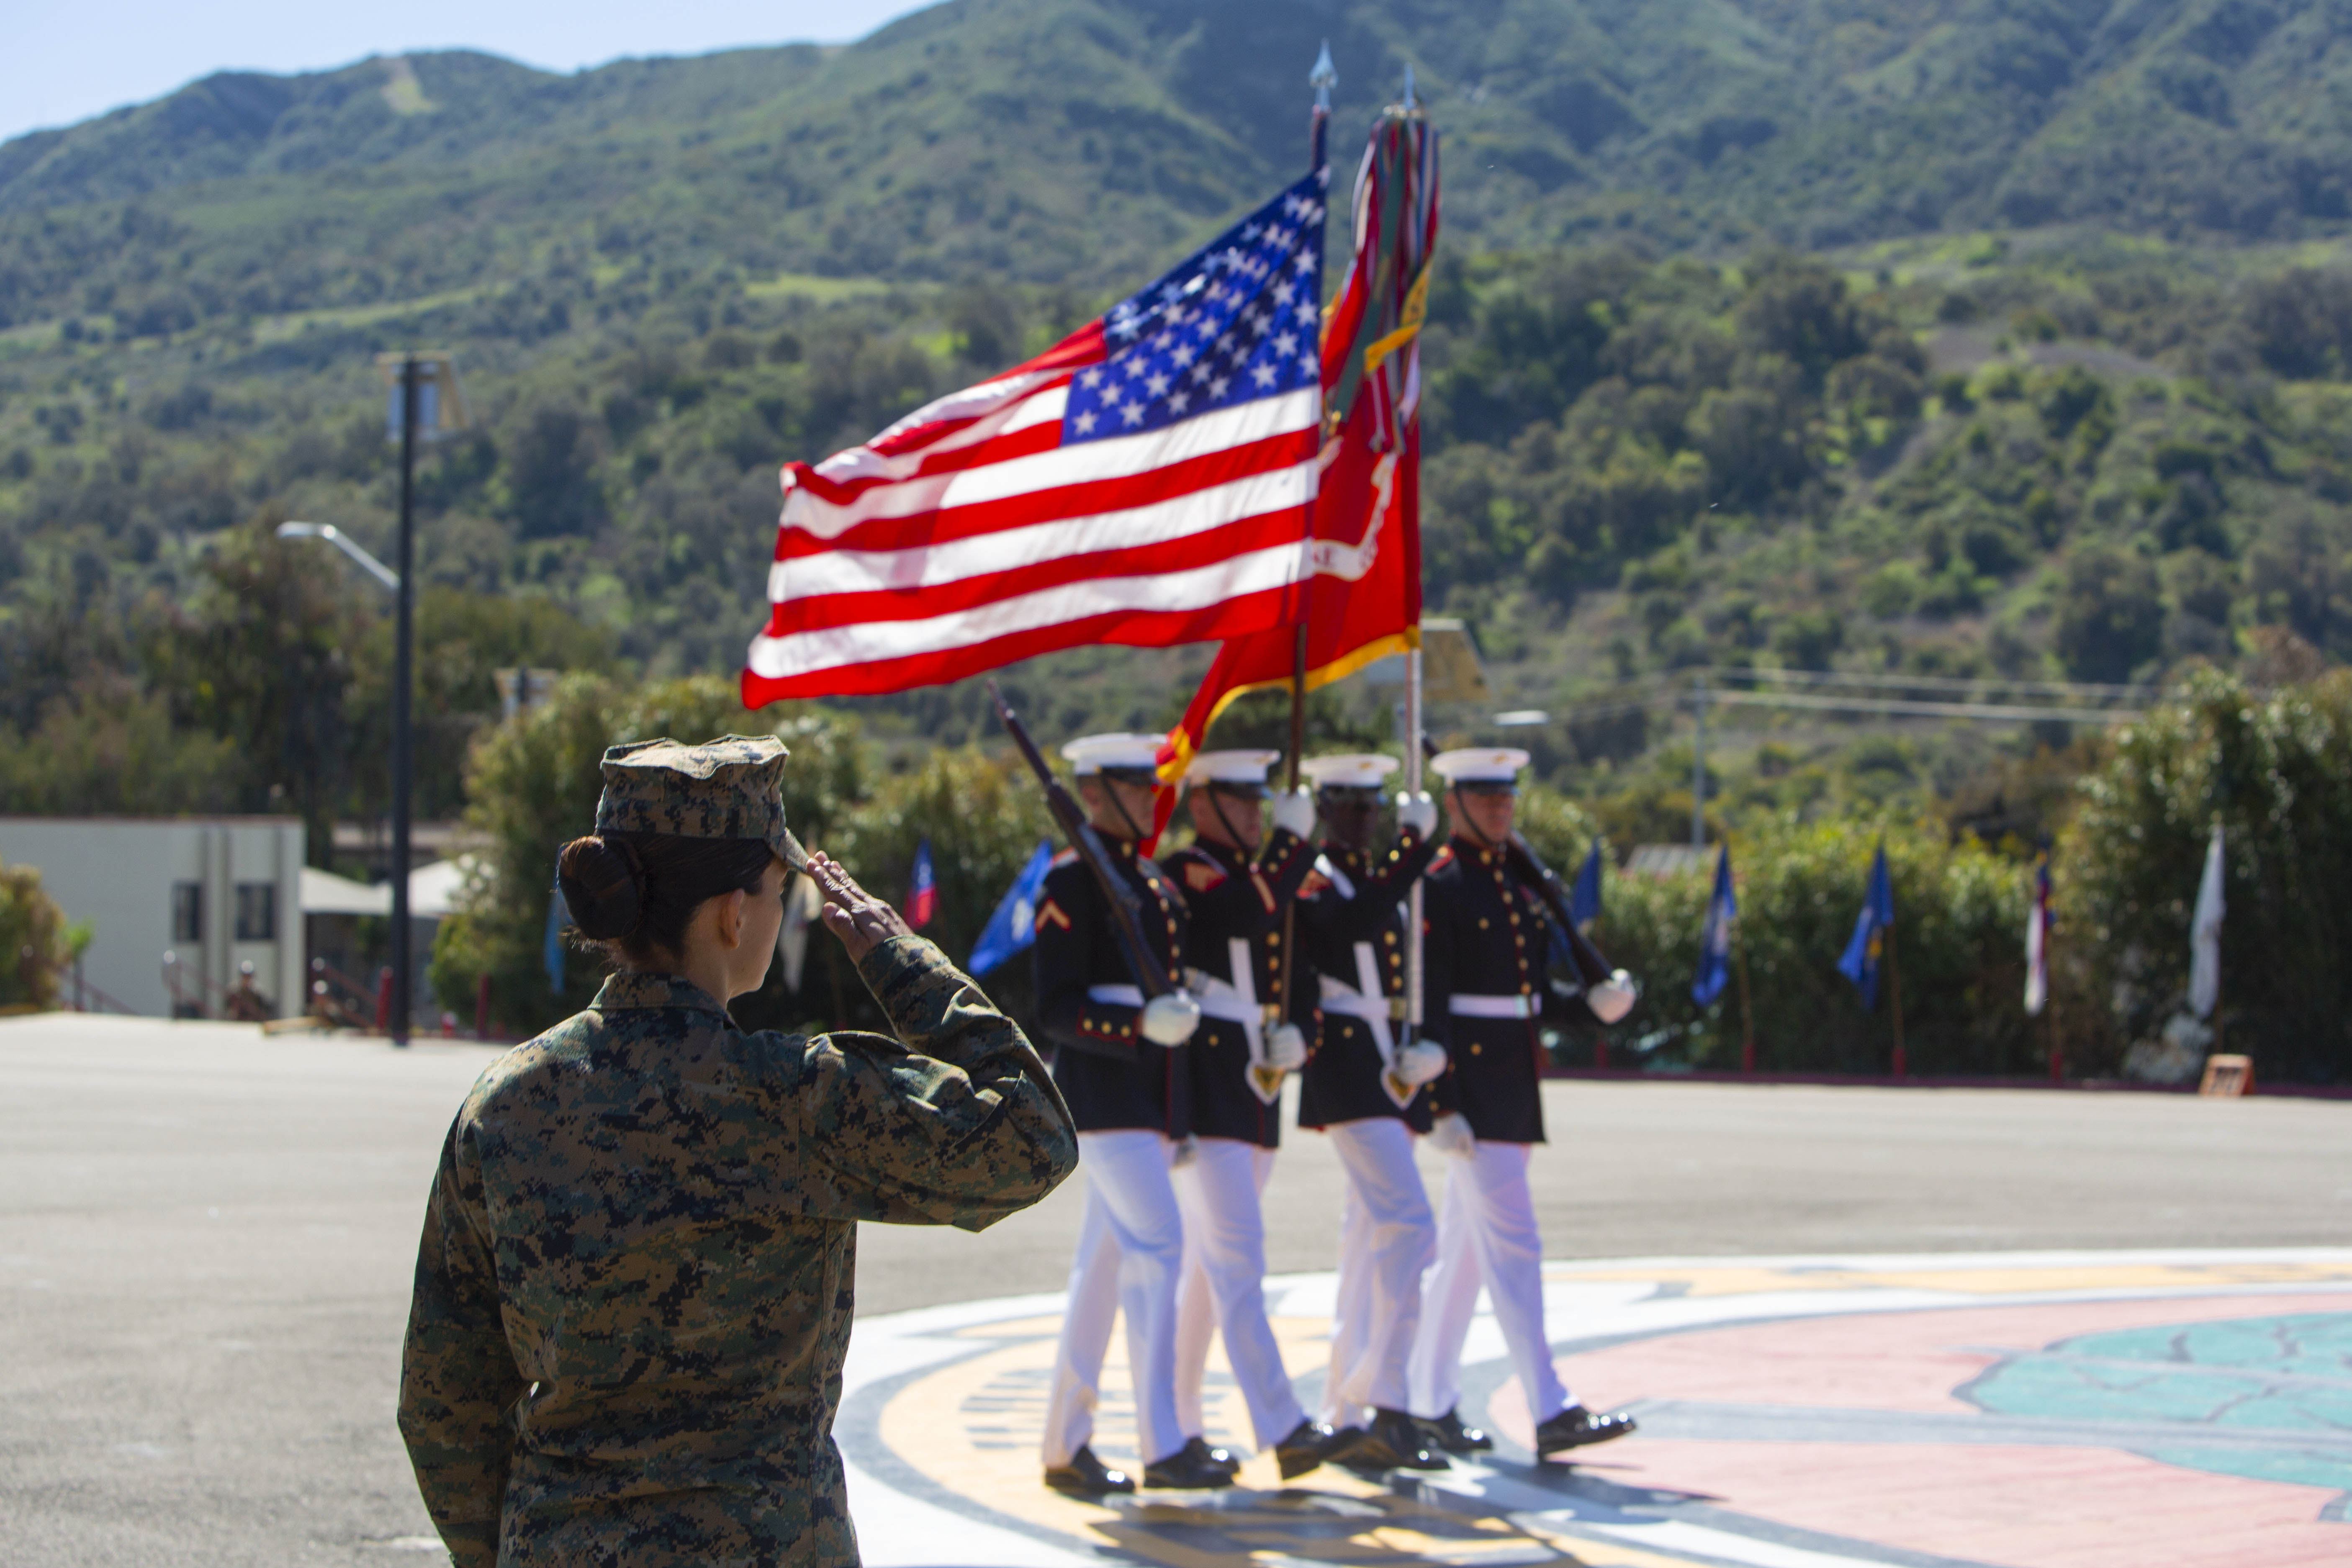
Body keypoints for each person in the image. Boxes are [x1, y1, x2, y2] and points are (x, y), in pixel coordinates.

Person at [397, 736, 1077, 1568]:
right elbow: (1033, 1137)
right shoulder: (798, 1097)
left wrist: (507, 1549)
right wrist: (900, 962)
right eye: (780, 893)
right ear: (732, 912)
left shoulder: (505, 1105)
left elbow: (444, 1402)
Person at [1406, 748, 1638, 1460]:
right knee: (1514, 1246)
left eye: (1507, 796)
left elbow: (1528, 994)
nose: (1501, 807)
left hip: (1513, 1078)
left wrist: (1591, 1004)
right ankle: (1551, 1404)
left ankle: (1425, 1399)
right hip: (1474, 1087)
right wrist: (1441, 1103)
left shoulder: (1517, 882)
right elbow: (1431, 1002)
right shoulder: (1440, 884)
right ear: (1456, 804)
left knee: (1467, 1257)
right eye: (1485, 796)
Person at [1032, 734, 1228, 1494]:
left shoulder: (1143, 880)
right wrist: (1135, 1027)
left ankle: (1065, 1443)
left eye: (1150, 785)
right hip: (1104, 1091)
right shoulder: (1075, 881)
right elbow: (1053, 1006)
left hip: (1147, 1096)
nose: (1152, 797)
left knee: (1104, 1269)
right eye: (1134, 786)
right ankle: (1164, 1442)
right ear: (1093, 792)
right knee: (1161, 1247)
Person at [1164, 750, 1356, 1481]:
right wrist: (1293, 844)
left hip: (1260, 1084)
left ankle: (1179, 1422)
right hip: (1212, 1079)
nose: (1254, 811)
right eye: (1239, 799)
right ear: (1202, 802)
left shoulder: (1269, 875)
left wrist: (1304, 1032)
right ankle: (1284, 1425)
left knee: (1213, 1272)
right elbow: (1247, 912)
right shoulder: (1193, 871)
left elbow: (1300, 967)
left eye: (1259, 799)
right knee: (1239, 1257)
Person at [1293, 754, 1451, 1470]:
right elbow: (1348, 927)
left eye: (1370, 808)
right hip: (1347, 1062)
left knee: (1366, 1243)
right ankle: (1387, 1400)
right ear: (1324, 809)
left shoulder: (1380, 872)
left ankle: (1344, 1409)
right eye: (1347, 807)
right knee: (1411, 1225)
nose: (1361, 819)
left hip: (1388, 1058)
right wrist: (1413, 850)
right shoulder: (1316, 875)